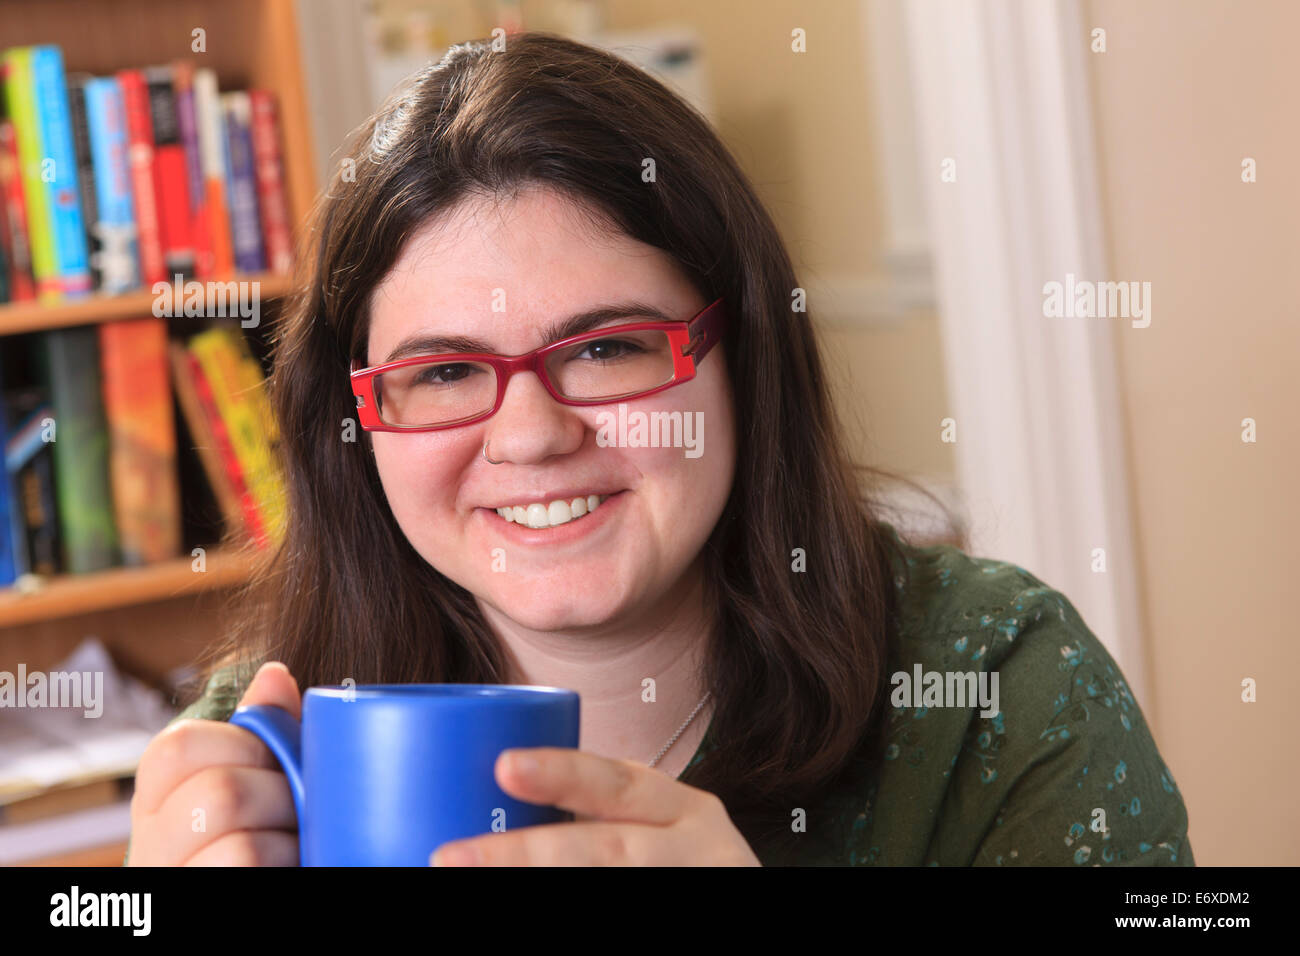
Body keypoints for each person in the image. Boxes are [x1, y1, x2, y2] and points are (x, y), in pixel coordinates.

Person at [126, 32, 1192, 866]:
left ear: (743, 356)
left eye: (607, 350)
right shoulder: (261, 748)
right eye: (443, 372)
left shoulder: (997, 684)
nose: (534, 435)